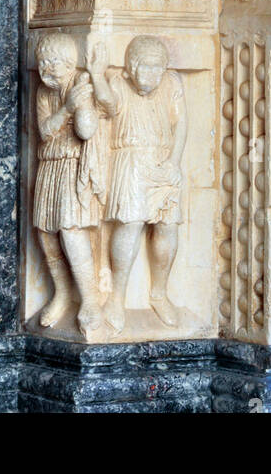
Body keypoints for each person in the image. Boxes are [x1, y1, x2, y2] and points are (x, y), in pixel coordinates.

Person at [95, 36, 187, 333]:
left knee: (167, 226)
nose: (151, 76)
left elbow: (181, 124)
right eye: (144, 68)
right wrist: (96, 74)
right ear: (131, 68)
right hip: (131, 160)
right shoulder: (118, 84)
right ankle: (116, 299)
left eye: (156, 69)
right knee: (130, 225)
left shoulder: (172, 84)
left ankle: (159, 294)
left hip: (163, 160)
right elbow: (107, 104)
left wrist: (174, 162)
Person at [32, 30, 104, 336]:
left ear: (71, 64)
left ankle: (89, 300)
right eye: (43, 63)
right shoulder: (44, 93)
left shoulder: (79, 85)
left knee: (71, 232)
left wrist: (81, 102)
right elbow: (46, 129)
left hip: (74, 167)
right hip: (50, 164)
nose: (47, 70)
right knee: (47, 234)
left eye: (55, 64)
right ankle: (61, 293)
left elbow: (86, 131)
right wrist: (66, 108)